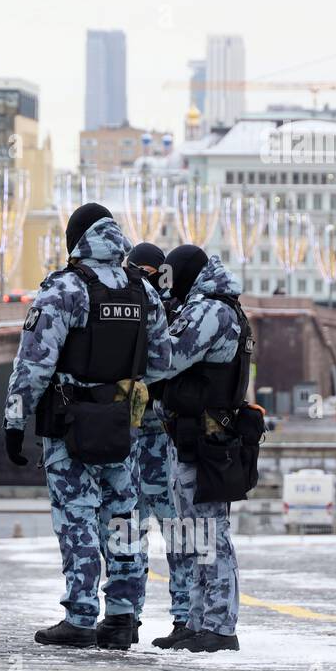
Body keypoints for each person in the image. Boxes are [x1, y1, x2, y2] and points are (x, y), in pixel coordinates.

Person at [4, 205, 171, 649]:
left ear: (76, 239)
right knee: (123, 519)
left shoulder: (65, 288)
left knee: (76, 515)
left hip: (70, 423)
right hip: (123, 426)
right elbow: (162, 362)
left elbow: (32, 367)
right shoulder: (143, 291)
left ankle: (80, 616)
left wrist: (15, 422)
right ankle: (122, 618)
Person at [157, 244, 254, 652]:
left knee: (210, 535)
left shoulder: (210, 310)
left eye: (169, 278)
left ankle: (219, 626)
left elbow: (167, 357)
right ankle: (200, 623)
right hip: (198, 437)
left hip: (207, 440)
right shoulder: (211, 305)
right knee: (195, 535)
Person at [101, 242, 195, 648]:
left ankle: (185, 618)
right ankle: (126, 615)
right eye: (137, 270)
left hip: (164, 442)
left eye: (151, 271)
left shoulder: (173, 314)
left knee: (181, 538)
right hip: (127, 440)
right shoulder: (130, 309)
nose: (145, 277)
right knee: (124, 534)